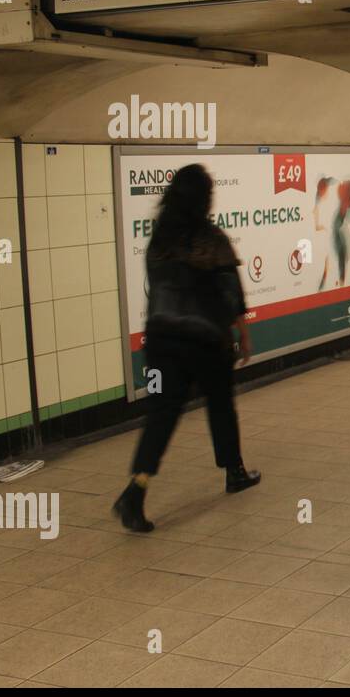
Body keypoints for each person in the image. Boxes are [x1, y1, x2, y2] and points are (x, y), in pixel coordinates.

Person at [112, 164, 261, 532]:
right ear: (204, 198)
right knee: (221, 404)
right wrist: (242, 332)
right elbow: (230, 293)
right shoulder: (210, 238)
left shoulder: (159, 239)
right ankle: (234, 471)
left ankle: (136, 489)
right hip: (206, 340)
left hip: (161, 340)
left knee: (161, 413)